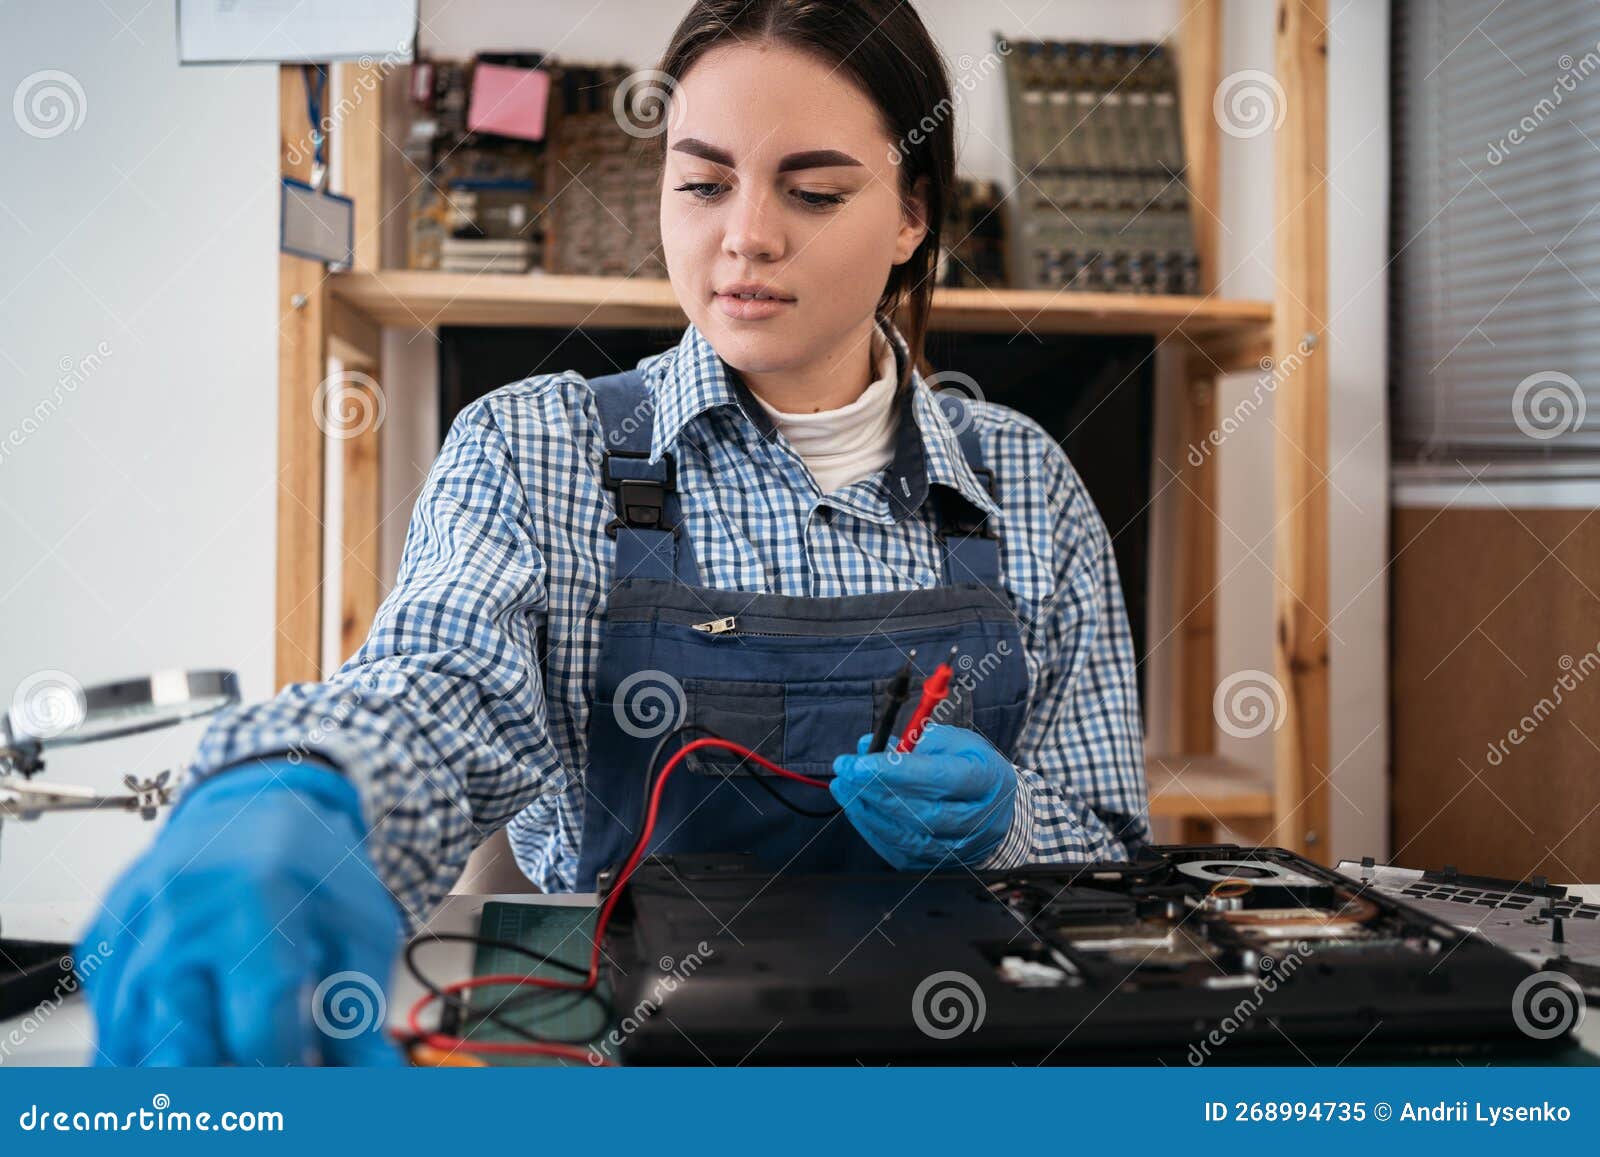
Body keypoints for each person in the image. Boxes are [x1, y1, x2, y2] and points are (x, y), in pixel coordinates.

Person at [81, 0, 1149, 1066]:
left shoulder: (1025, 480)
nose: (745, 235)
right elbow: (435, 685)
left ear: (913, 214)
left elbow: (1112, 848)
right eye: (701, 182)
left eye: (814, 190)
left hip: (960, 1047)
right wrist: (304, 789)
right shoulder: (531, 445)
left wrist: (1005, 823)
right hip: (616, 1049)